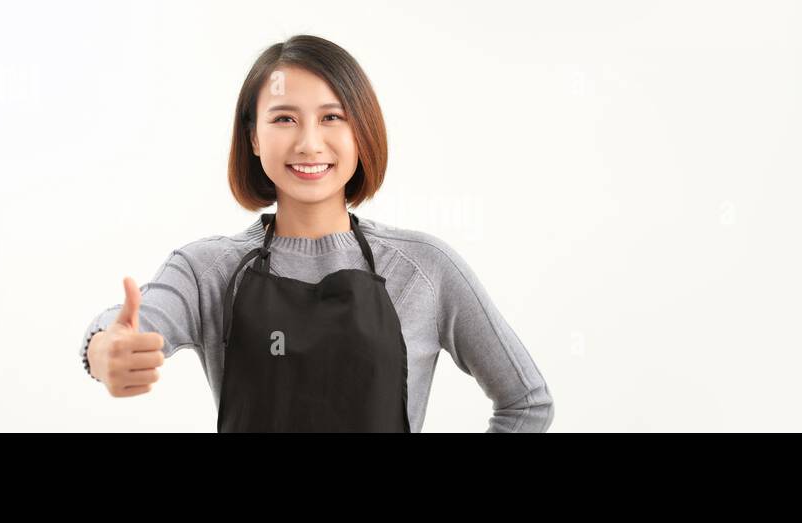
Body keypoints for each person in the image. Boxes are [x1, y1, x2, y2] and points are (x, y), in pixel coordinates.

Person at [80, 34, 552, 432]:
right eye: (284, 118)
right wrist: (104, 349)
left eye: (332, 117)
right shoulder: (209, 269)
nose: (309, 142)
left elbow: (526, 402)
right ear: (253, 138)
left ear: (361, 132)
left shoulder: (423, 267)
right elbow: (134, 325)